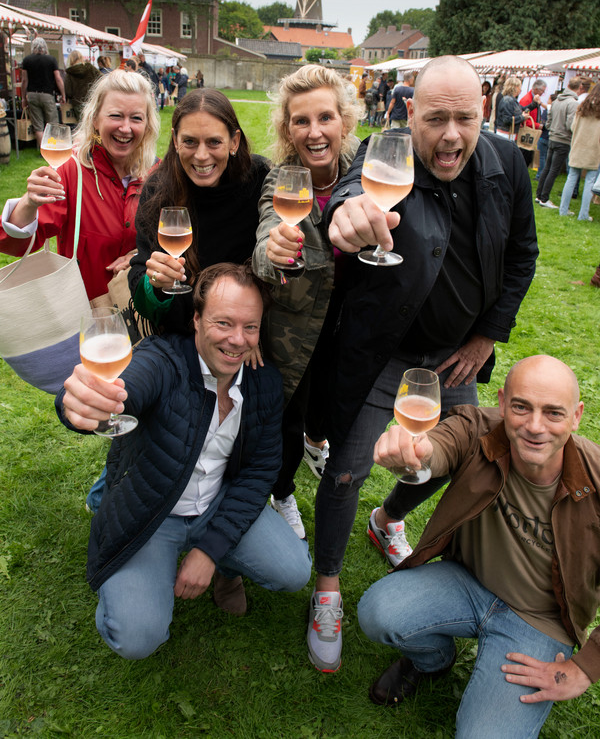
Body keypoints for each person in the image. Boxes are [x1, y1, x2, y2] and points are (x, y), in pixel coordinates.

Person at [306, 55, 538, 673]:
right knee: (348, 472)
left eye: (465, 118)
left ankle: (390, 520)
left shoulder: (507, 164)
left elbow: (522, 257)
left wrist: (489, 335)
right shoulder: (387, 156)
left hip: (453, 362)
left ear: (483, 112)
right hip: (384, 355)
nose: (452, 135)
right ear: (412, 114)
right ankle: (326, 586)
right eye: (436, 119)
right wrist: (347, 217)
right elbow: (353, 198)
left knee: (459, 461)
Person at [55, 263, 312, 659]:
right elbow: (127, 389)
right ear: (195, 319)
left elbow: (260, 473)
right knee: (138, 640)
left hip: (215, 505)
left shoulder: (265, 383)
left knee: (294, 571)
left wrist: (209, 551)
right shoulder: (163, 359)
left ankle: (226, 567)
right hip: (152, 511)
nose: (236, 340)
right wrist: (79, 405)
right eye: (223, 323)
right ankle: (124, 565)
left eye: (250, 327)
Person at [358, 355, 600, 739]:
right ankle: (434, 661)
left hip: (540, 623)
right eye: (521, 407)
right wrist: (416, 456)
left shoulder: (596, 480)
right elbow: (439, 447)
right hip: (467, 583)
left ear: (576, 416)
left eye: (553, 413)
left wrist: (587, 666)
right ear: (502, 403)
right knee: (379, 611)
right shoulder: (480, 429)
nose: (535, 426)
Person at [252, 65, 360, 540]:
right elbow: (263, 237)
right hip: (295, 330)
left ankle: (318, 441)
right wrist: (270, 252)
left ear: (345, 121)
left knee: (332, 409)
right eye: (301, 121)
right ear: (286, 128)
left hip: (351, 326)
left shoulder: (366, 174)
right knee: (286, 422)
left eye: (325, 118)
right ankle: (282, 493)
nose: (314, 132)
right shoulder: (282, 181)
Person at [0, 69, 159, 304]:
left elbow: (170, 240)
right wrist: (30, 202)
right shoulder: (72, 171)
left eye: (136, 118)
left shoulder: (156, 175)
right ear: (95, 119)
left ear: (147, 124)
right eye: (115, 116)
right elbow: (16, 242)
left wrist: (138, 256)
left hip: (141, 310)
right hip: (85, 312)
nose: (125, 128)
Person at [129, 89, 269, 335]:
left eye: (214, 142)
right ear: (175, 140)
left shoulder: (258, 180)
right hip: (178, 336)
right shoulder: (158, 190)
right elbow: (141, 287)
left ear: (234, 141)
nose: (202, 156)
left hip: (241, 336)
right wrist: (157, 286)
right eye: (190, 141)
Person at [536, 78, 582, 208]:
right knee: (553, 170)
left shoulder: (556, 100)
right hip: (563, 139)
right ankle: (544, 198)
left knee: (547, 168)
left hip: (552, 137)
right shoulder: (573, 103)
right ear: (579, 88)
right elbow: (570, 124)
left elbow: (549, 122)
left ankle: (539, 195)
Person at [559, 82, 600, 221]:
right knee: (589, 181)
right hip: (594, 148)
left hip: (578, 145)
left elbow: (573, 126)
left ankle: (563, 210)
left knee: (571, 178)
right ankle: (583, 214)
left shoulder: (582, 106)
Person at [20, 37, 66, 146]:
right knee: (52, 123)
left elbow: (24, 80)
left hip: (32, 94)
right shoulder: (51, 60)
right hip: (47, 94)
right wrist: (63, 94)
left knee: (38, 124)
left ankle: (42, 149)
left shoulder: (27, 60)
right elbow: (58, 78)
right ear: (45, 47)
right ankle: (53, 147)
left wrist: (23, 97)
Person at [64, 49, 101, 122]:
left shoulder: (70, 72)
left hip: (78, 103)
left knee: (82, 126)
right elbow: (102, 79)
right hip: (92, 101)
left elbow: (68, 92)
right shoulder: (90, 68)